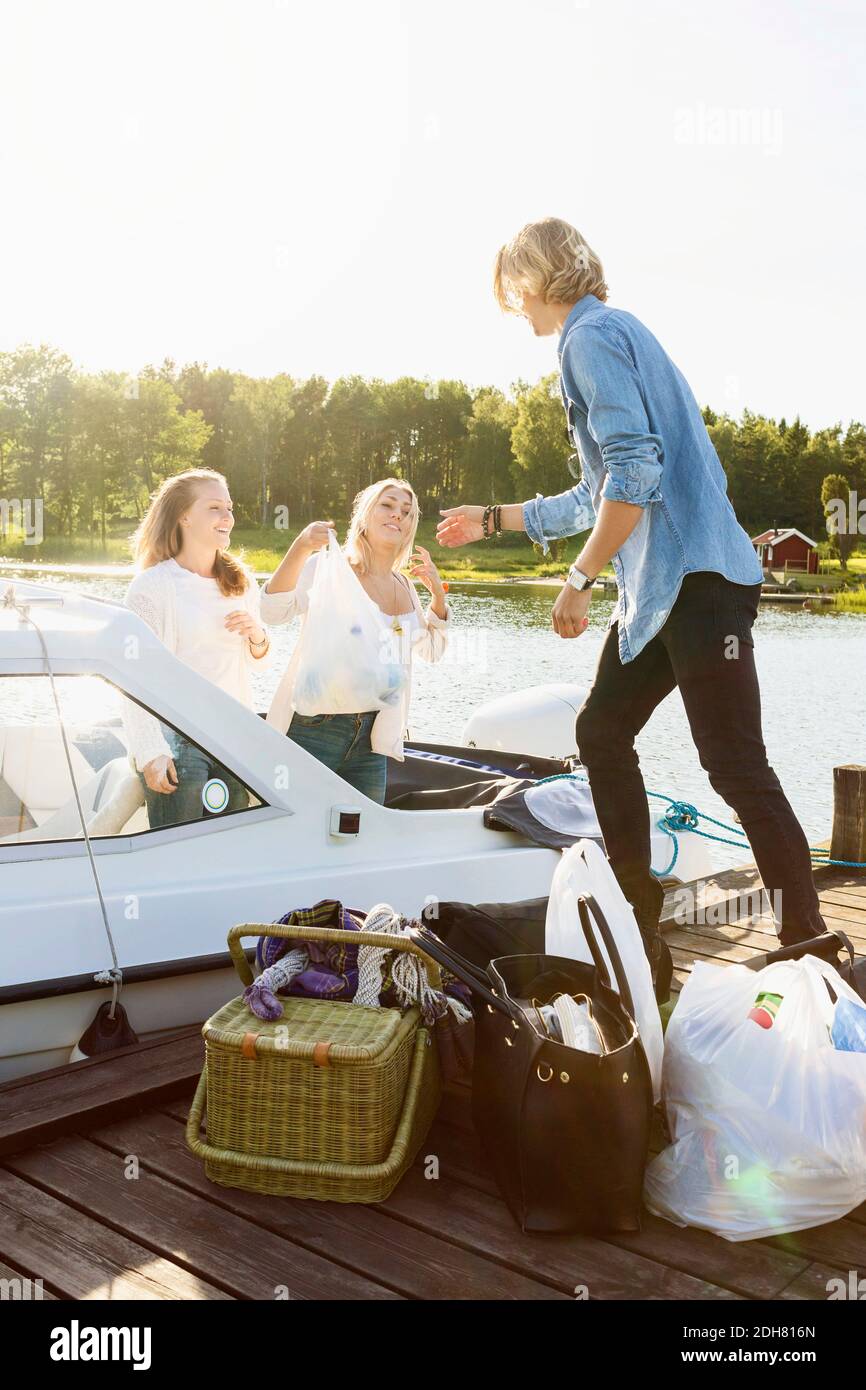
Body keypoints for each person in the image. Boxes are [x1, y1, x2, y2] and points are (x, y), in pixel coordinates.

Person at [437, 216, 825, 996]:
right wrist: (496, 520)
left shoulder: (589, 339)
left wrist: (579, 579)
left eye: (512, 286)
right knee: (602, 729)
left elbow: (636, 477)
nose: (511, 304)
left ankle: (809, 942)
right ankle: (636, 920)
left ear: (533, 280)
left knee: (733, 764)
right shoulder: (610, 334)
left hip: (695, 583)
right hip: (660, 592)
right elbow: (598, 488)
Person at [261, 478, 450, 803]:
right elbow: (272, 612)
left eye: (407, 511)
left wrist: (437, 598)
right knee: (297, 834)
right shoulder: (329, 569)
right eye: (388, 505)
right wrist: (302, 545)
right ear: (364, 516)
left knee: (359, 842)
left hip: (372, 740)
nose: (398, 515)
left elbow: (431, 651)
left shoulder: (404, 586)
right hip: (314, 730)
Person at [124, 468, 271, 827]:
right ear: (184, 516)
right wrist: (150, 752)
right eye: (215, 508)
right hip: (177, 743)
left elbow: (258, 664)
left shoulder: (242, 582)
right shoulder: (153, 587)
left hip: (233, 739)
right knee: (176, 862)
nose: (228, 518)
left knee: (226, 857)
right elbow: (133, 680)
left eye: (230, 508)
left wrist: (258, 636)